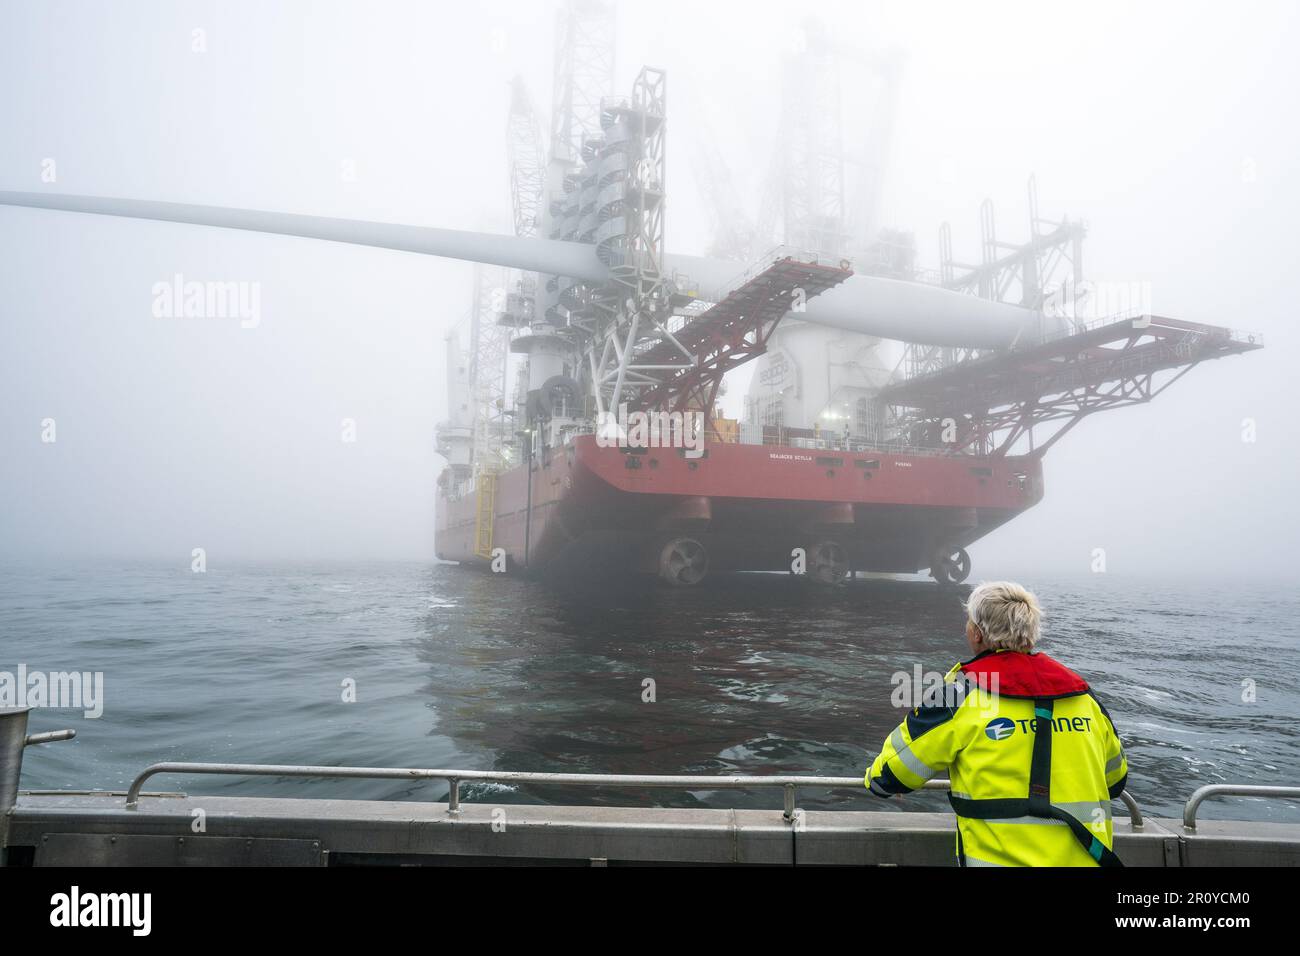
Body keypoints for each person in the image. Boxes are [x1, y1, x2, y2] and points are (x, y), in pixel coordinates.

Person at [865, 581, 1128, 867]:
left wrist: (874, 777)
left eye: (969, 622)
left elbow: (889, 777)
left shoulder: (961, 695)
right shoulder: (1082, 695)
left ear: (977, 633)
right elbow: (1115, 781)